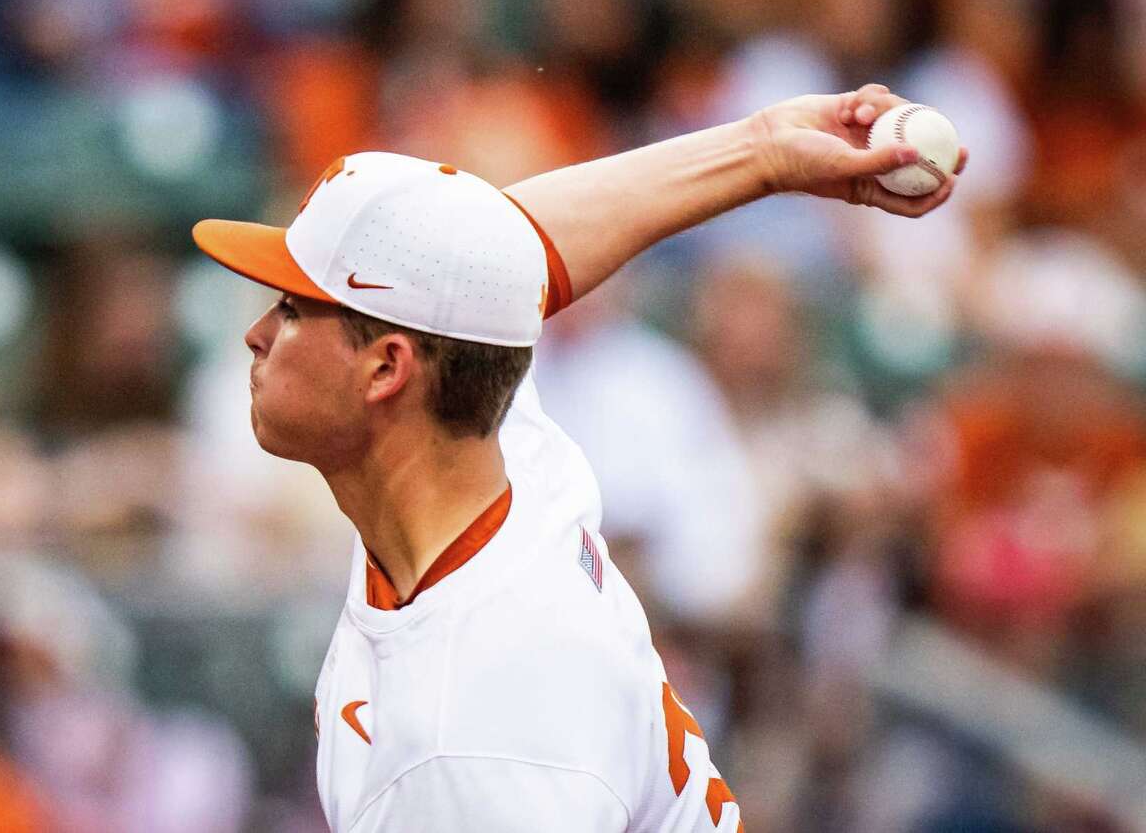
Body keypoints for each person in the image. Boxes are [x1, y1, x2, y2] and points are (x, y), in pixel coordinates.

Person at [191, 83, 964, 831]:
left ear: (386, 369)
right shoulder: (486, 446)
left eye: (292, 309)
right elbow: (506, 257)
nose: (257, 333)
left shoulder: (470, 735)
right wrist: (760, 152)